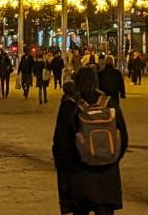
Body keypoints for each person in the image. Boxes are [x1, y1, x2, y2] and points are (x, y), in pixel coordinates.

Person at [52, 66, 128, 215]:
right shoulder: (109, 103)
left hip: (80, 175)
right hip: (107, 177)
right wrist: (111, 158)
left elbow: (61, 143)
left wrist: (67, 168)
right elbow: (123, 137)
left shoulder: (70, 105)